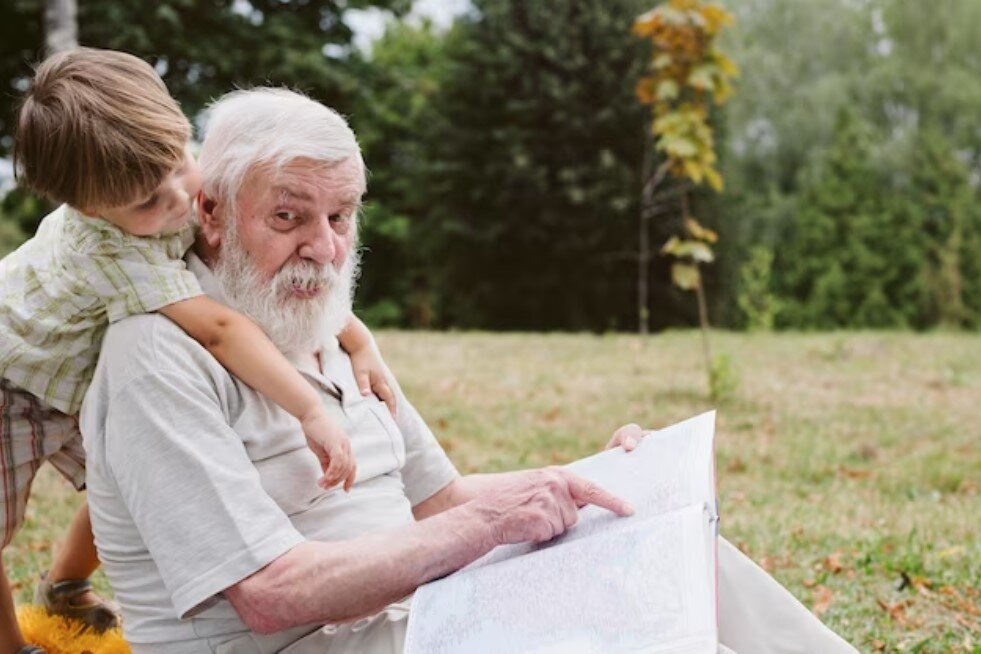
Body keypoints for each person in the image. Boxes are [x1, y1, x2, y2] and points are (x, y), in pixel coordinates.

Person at [81, 87, 859, 653]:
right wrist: (481, 528)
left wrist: (595, 483)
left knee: (678, 560)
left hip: (417, 617)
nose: (324, 247)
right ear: (210, 212)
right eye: (288, 216)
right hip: (315, 643)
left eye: (341, 215)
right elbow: (270, 595)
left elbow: (442, 500)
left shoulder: (327, 332)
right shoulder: (156, 356)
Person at [0, 49, 394, 654]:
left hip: (73, 370)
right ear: (88, 207)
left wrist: (355, 336)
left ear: (179, 130)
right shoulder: (110, 248)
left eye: (178, 169)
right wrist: (310, 410)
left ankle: (66, 584)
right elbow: (220, 330)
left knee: (133, 479)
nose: (178, 204)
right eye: (147, 204)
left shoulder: (155, 197)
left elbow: (284, 279)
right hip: (15, 380)